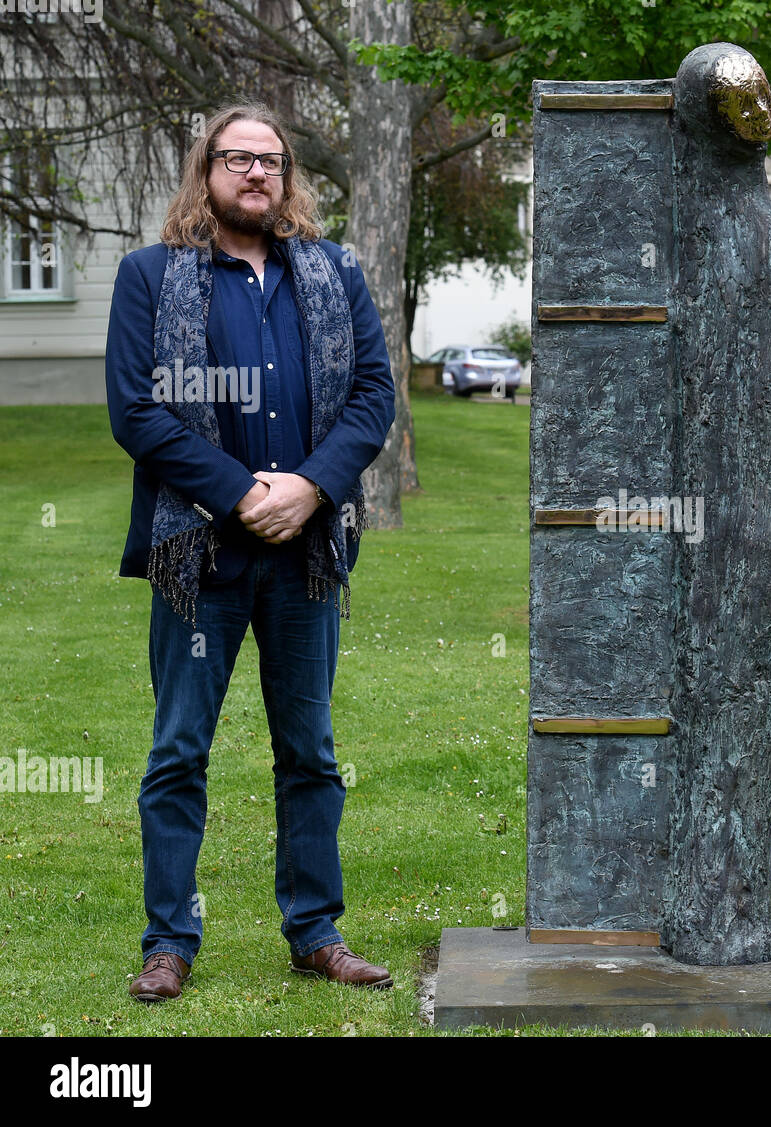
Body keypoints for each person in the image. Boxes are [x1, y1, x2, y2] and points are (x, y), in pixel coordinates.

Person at [105, 103, 396, 1002]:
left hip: (305, 554)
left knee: (308, 748)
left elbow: (374, 395)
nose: (258, 174)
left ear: (288, 176)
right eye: (239, 159)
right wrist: (239, 492)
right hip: (199, 553)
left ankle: (315, 930)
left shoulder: (334, 273)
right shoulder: (151, 277)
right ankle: (169, 941)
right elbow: (137, 411)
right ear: (208, 172)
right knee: (178, 752)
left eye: (272, 161)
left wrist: (310, 487)